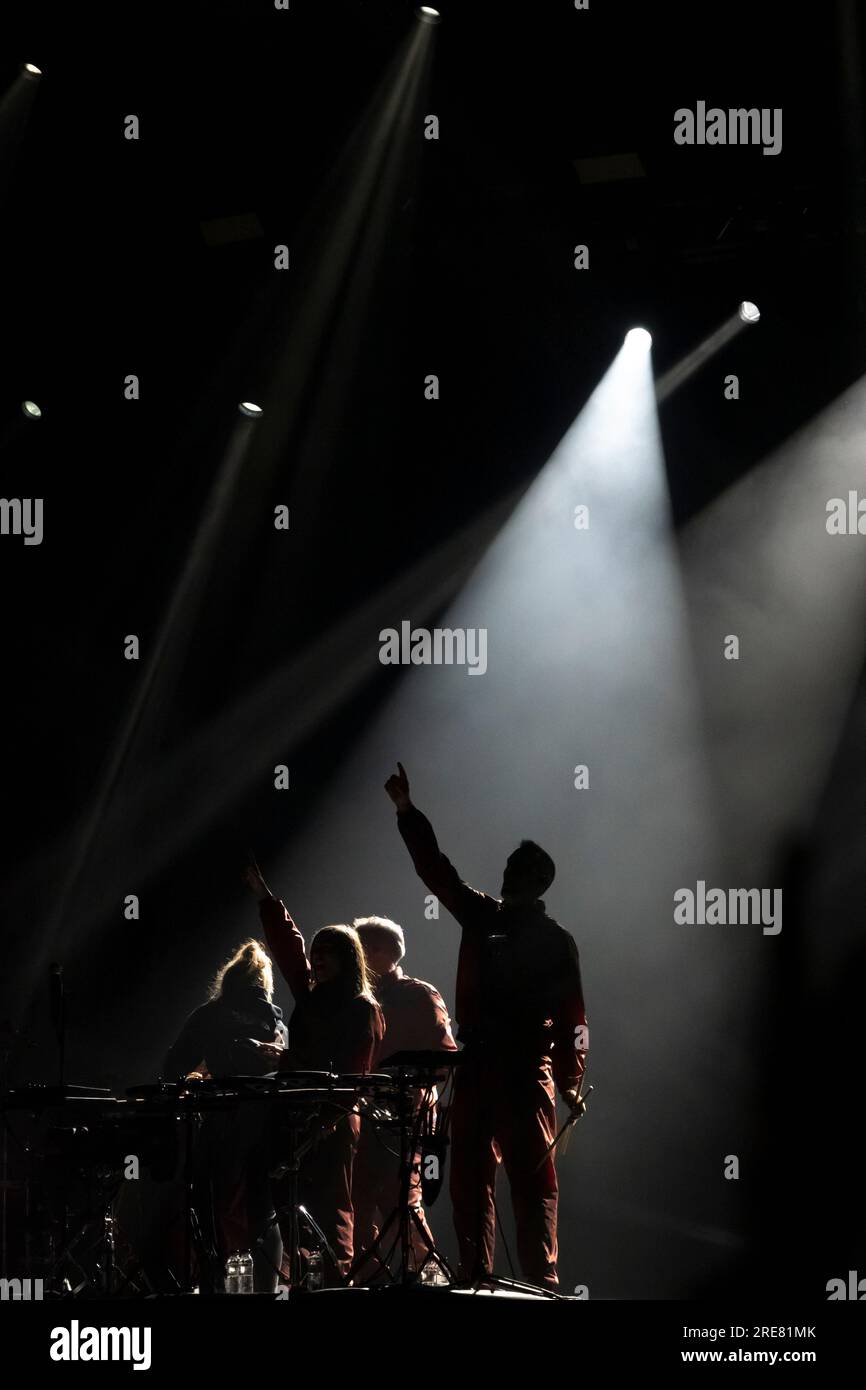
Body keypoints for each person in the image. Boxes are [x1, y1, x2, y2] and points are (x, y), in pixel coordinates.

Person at [384, 762, 587, 1290]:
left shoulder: (554, 940)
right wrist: (408, 813)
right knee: (470, 1181)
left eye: (516, 868)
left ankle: (541, 1286)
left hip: (524, 1071)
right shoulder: (484, 915)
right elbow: (438, 872)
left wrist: (569, 1082)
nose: (505, 873)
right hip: (478, 1067)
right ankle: (475, 1280)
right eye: (507, 865)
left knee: (532, 1180)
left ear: (537, 881)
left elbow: (573, 1020)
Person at [243, 863, 384, 1280]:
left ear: (348, 958)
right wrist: (265, 897)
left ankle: (337, 1282)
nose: (317, 957)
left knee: (331, 1209)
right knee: (289, 1205)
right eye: (316, 951)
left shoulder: (363, 1008)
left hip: (333, 1120)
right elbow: (288, 947)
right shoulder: (311, 995)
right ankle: (299, 1281)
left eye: (328, 951)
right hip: (293, 1115)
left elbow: (350, 1078)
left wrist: (284, 1063)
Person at [163, 938, 288, 1292]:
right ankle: (266, 1288)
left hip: (223, 1119)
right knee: (265, 1208)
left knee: (207, 1202)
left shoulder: (210, 1014)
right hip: (271, 1122)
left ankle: (214, 1284)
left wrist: (191, 1081)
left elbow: (173, 1064)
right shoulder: (278, 1024)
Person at [350, 915, 457, 1277]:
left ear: (384, 953)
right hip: (362, 1111)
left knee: (401, 1199)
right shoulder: (356, 998)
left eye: (359, 949)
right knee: (359, 1198)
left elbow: (443, 1059)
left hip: (404, 1112)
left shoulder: (418, 994)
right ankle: (368, 1277)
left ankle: (427, 1273)